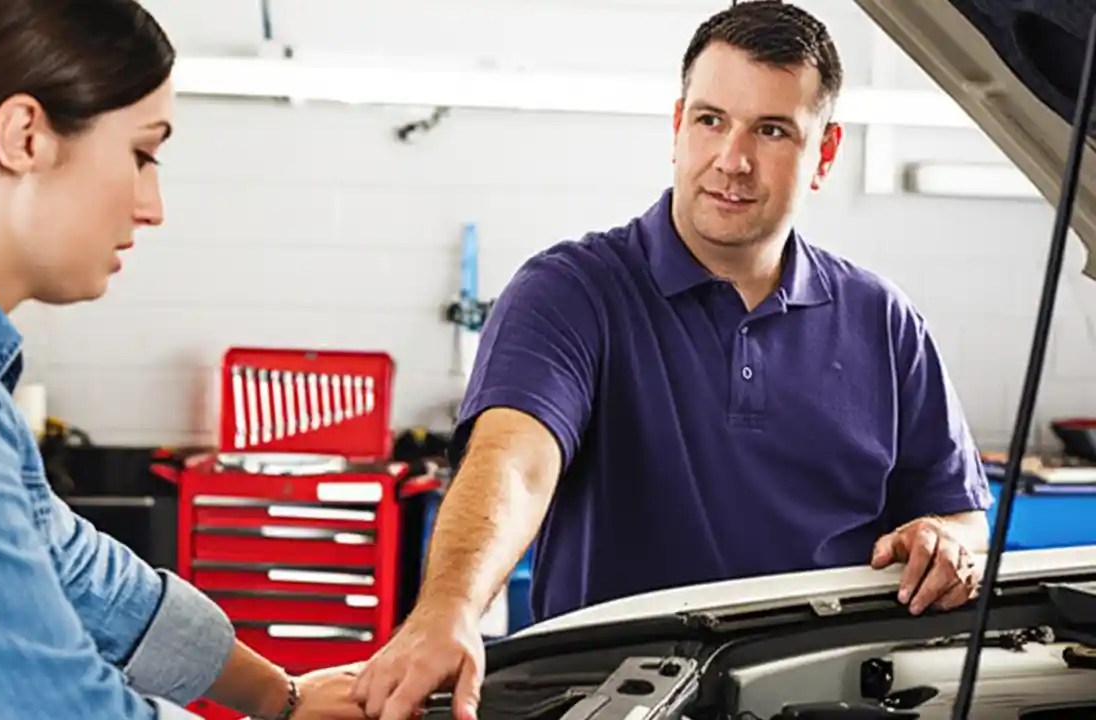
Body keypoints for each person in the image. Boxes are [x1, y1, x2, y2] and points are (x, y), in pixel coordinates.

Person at [352, 2, 993, 719]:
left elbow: (959, 513)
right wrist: (450, 607)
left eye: (772, 130)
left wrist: (948, 540)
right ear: (677, 127)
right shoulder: (572, 292)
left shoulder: (884, 321)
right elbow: (515, 462)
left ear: (828, 151)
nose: (733, 159)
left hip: (831, 699)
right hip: (614, 698)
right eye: (711, 120)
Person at [0, 1, 366, 718]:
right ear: (24, 135)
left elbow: (77, 570)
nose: (153, 205)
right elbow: (53, 705)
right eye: (142, 155)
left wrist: (279, 698)